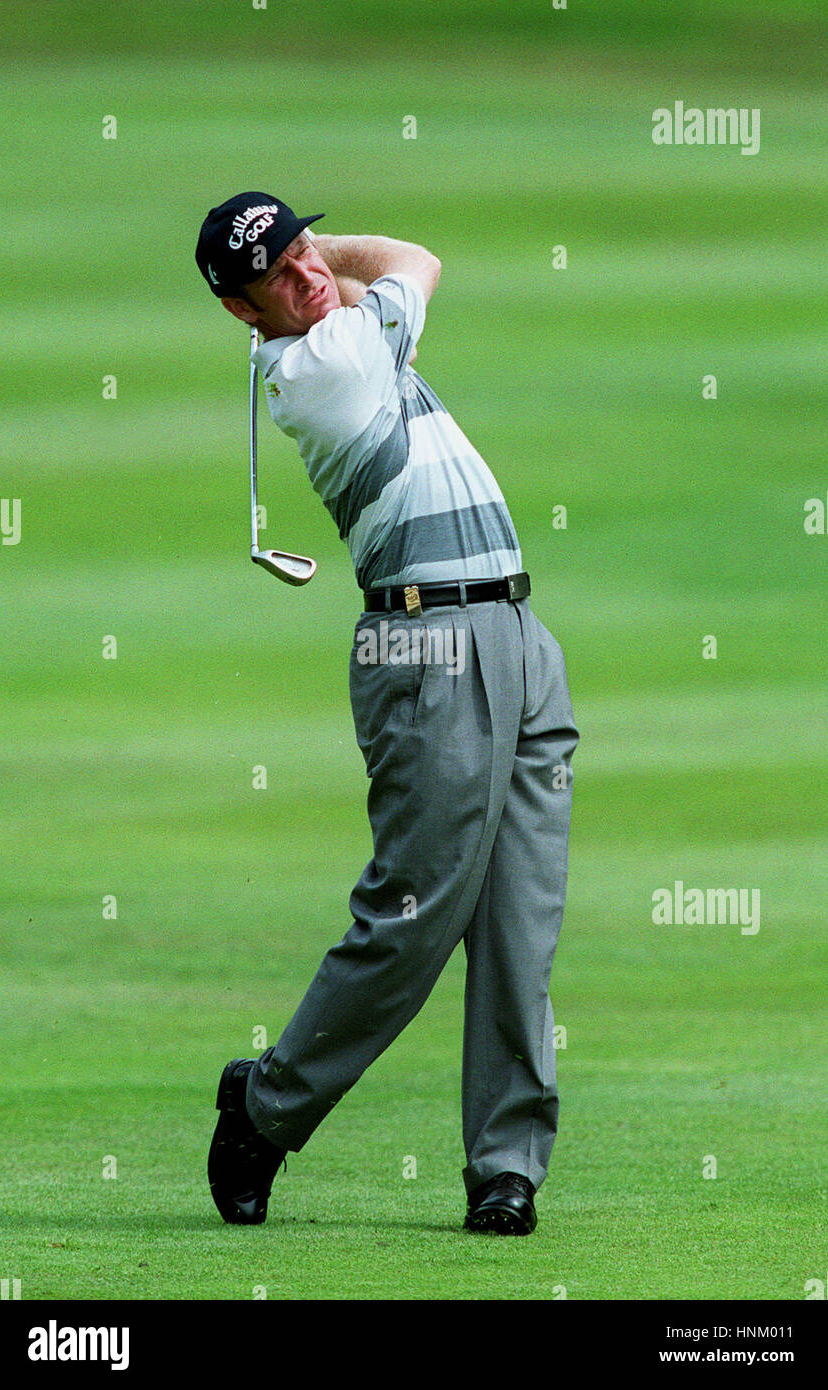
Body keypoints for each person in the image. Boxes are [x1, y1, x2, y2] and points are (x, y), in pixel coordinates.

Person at [195, 191, 579, 1235]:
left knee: (518, 924)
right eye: (273, 274)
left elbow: (360, 281)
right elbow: (414, 255)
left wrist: (304, 254)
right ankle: (264, 1107)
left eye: (301, 248)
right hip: (426, 650)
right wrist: (331, 254)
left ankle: (505, 1166)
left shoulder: (333, 327)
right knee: (410, 922)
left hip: (514, 635)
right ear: (243, 313)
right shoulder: (323, 365)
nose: (304, 273)